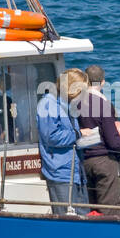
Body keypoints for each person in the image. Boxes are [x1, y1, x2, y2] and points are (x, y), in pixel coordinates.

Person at [72, 75, 120, 212]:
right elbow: (112, 140)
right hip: (103, 160)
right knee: (108, 209)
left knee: (90, 208)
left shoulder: (73, 103)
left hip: (83, 161)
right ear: (102, 82)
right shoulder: (102, 104)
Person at [37, 69, 88, 214]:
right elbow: (51, 137)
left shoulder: (66, 105)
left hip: (75, 169)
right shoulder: (48, 104)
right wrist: (78, 134)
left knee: (82, 214)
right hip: (60, 170)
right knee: (65, 214)